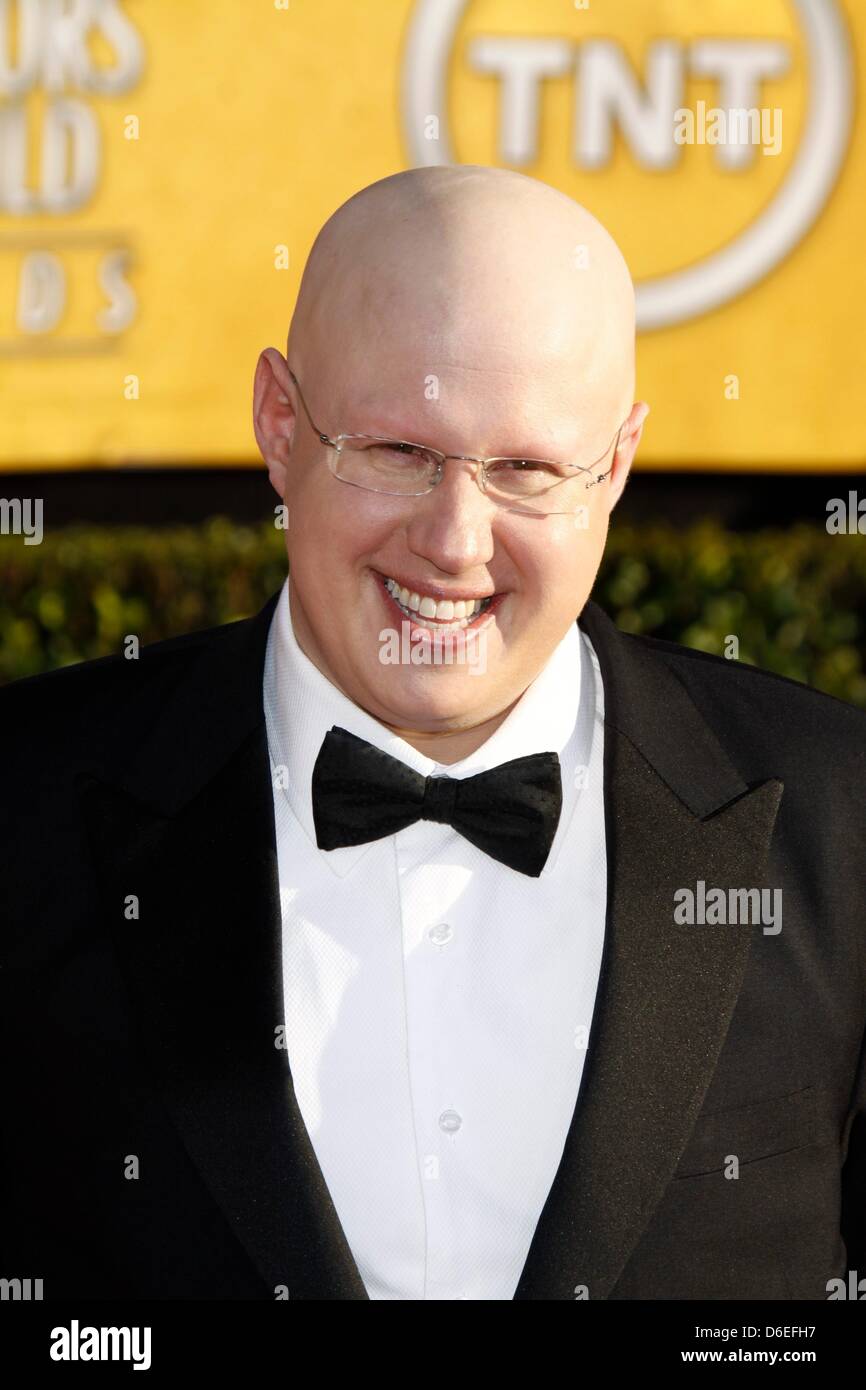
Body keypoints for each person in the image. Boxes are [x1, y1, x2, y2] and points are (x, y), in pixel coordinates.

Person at [1, 166, 863, 1302]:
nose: (456, 541)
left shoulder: (840, 815)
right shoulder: (24, 806)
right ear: (277, 421)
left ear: (614, 465)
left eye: (524, 469)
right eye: (398, 451)